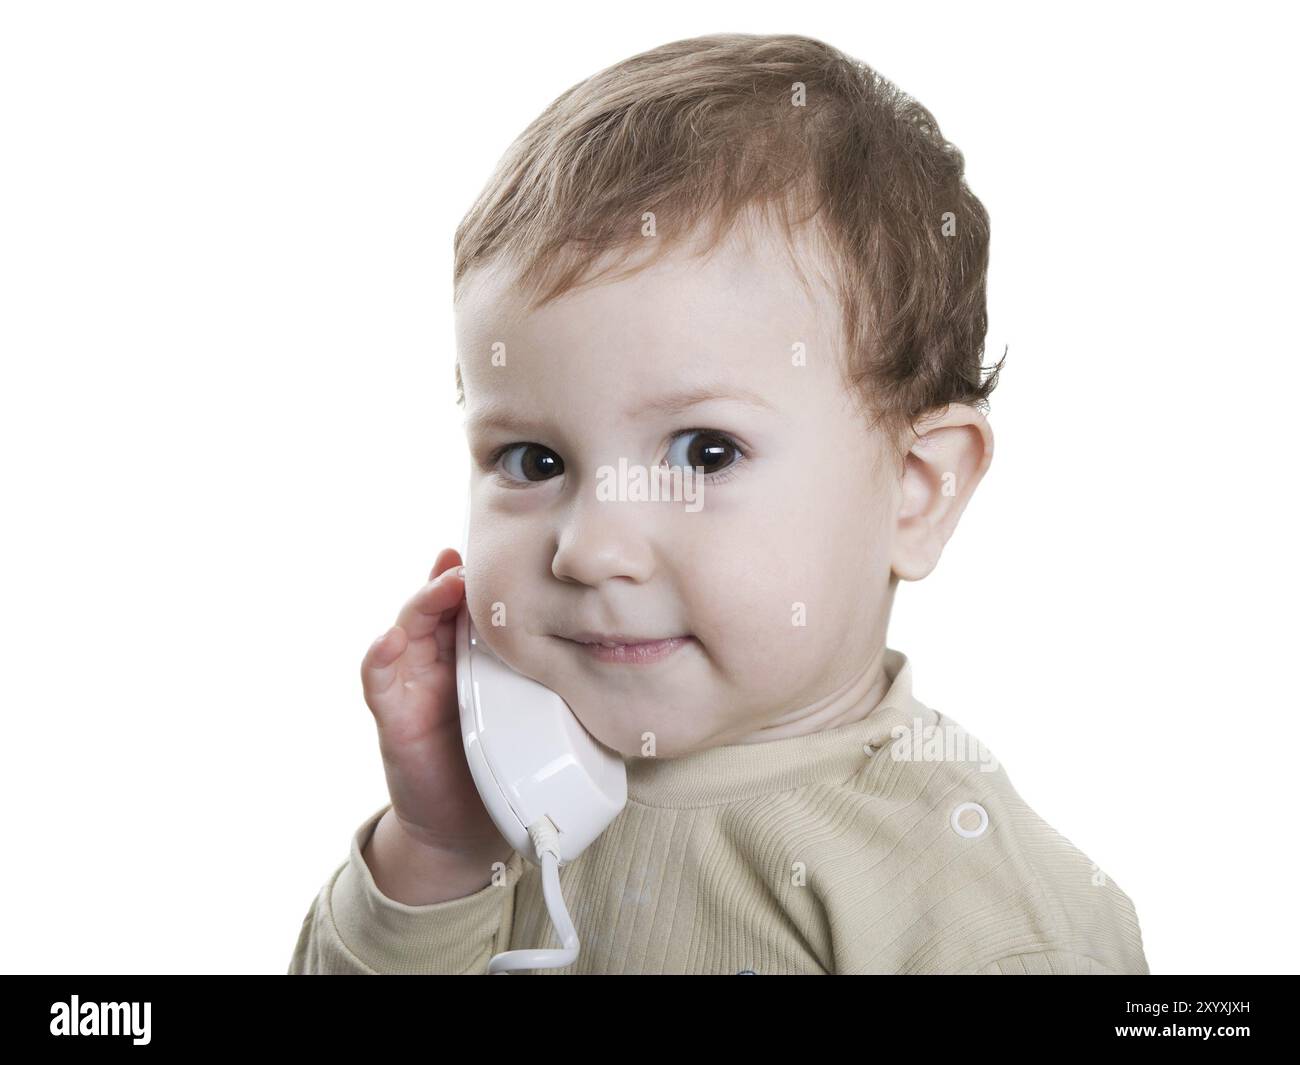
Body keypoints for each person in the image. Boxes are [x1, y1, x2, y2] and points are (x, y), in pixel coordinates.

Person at [289, 32, 1149, 975]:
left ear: (915, 490)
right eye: (533, 459)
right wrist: (438, 851)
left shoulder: (977, 915)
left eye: (705, 453)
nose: (591, 547)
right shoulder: (513, 807)